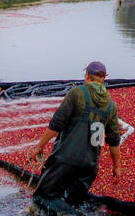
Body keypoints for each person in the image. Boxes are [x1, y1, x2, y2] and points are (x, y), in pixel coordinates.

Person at [31, 61, 123, 208]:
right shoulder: (111, 106)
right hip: (89, 166)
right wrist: (116, 167)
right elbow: (114, 141)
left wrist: (39, 146)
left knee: (42, 199)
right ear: (103, 79)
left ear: (87, 75)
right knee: (74, 203)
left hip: (65, 160)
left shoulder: (77, 93)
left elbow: (56, 124)